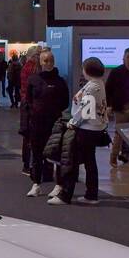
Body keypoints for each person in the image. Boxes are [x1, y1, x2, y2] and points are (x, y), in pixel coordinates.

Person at [50, 57, 107, 206]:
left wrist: (73, 123)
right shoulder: (98, 84)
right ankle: (91, 194)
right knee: (90, 162)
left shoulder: (91, 88)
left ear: (87, 70)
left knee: (72, 162)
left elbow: (86, 111)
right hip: (95, 128)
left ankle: (66, 195)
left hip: (86, 130)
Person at [23, 48, 68, 196]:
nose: (48, 63)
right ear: (41, 62)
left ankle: (59, 185)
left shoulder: (60, 81)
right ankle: (36, 184)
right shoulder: (33, 80)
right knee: (36, 154)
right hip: (37, 124)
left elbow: (65, 102)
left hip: (54, 124)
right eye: (45, 60)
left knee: (57, 155)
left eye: (51, 61)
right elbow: (28, 100)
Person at [18, 45, 41, 175]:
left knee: (27, 135)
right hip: (30, 104)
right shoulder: (31, 68)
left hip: (27, 103)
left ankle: (27, 164)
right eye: (38, 54)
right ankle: (28, 164)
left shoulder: (27, 67)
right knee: (29, 135)